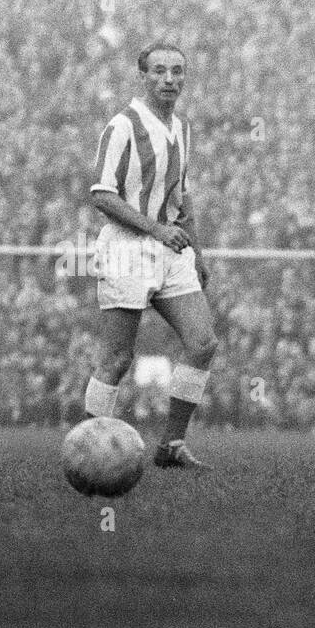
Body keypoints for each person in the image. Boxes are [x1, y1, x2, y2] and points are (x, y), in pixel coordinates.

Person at [82, 42, 218, 470]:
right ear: (143, 76)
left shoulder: (182, 128)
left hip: (171, 247)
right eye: (159, 71)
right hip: (127, 248)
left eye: (177, 71)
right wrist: (155, 228)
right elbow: (102, 194)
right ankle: (87, 452)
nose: (169, 79)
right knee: (117, 359)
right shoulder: (123, 125)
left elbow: (181, 197)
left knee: (202, 343)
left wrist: (196, 251)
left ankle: (171, 444)